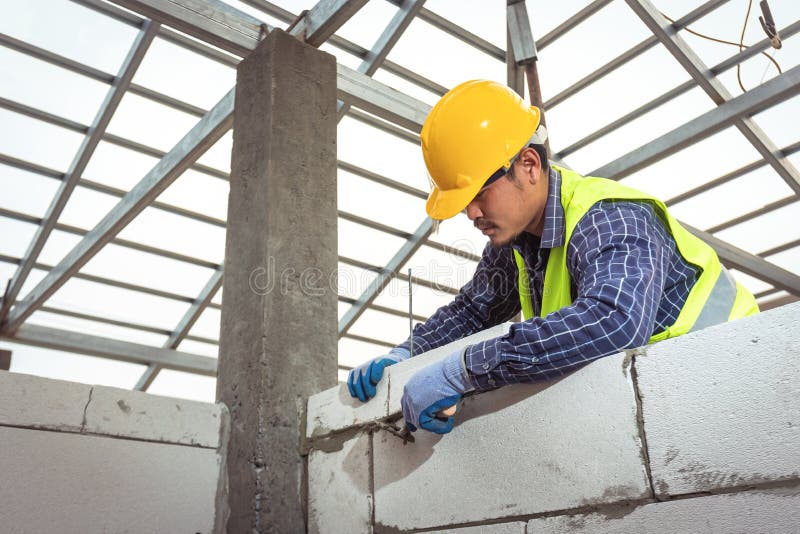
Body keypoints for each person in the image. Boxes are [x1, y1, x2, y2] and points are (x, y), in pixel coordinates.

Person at [347, 79, 759, 435]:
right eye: (462, 203)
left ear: (528, 164)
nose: (471, 213)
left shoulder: (610, 218)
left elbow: (613, 320)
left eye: (478, 195)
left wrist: (466, 369)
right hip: (662, 398)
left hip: (736, 378)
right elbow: (474, 311)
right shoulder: (515, 242)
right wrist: (406, 353)